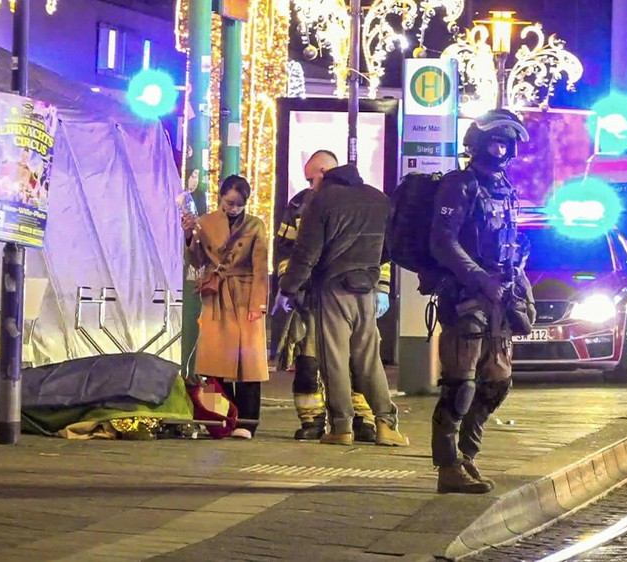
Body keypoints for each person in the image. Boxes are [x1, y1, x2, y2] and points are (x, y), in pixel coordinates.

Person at [428, 109, 536, 494]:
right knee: (460, 384)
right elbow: (443, 242)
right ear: (478, 144)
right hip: (466, 297)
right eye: (495, 142)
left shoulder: (505, 186)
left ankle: (467, 455)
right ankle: (448, 467)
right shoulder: (459, 185)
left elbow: (509, 237)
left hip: (501, 297)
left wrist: (516, 270)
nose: (501, 150)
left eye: (507, 144)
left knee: (498, 383)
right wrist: (479, 279)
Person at [276, 157, 408, 447]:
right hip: (367, 288)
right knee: (369, 359)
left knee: (333, 360)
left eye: (312, 179)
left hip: (332, 289)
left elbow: (305, 255)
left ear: (324, 172)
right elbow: (391, 248)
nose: (311, 186)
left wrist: (287, 289)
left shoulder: (321, 201)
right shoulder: (378, 199)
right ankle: (386, 424)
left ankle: (341, 427)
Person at [182, 175, 269, 439]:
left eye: (240, 204)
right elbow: (196, 261)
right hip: (216, 295)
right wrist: (188, 235)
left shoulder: (255, 225)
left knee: (248, 364)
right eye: (230, 203)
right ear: (220, 197)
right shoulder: (205, 222)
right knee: (211, 362)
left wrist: (258, 304)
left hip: (244, 294)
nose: (234, 208)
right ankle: (220, 418)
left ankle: (247, 421)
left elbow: (260, 267)